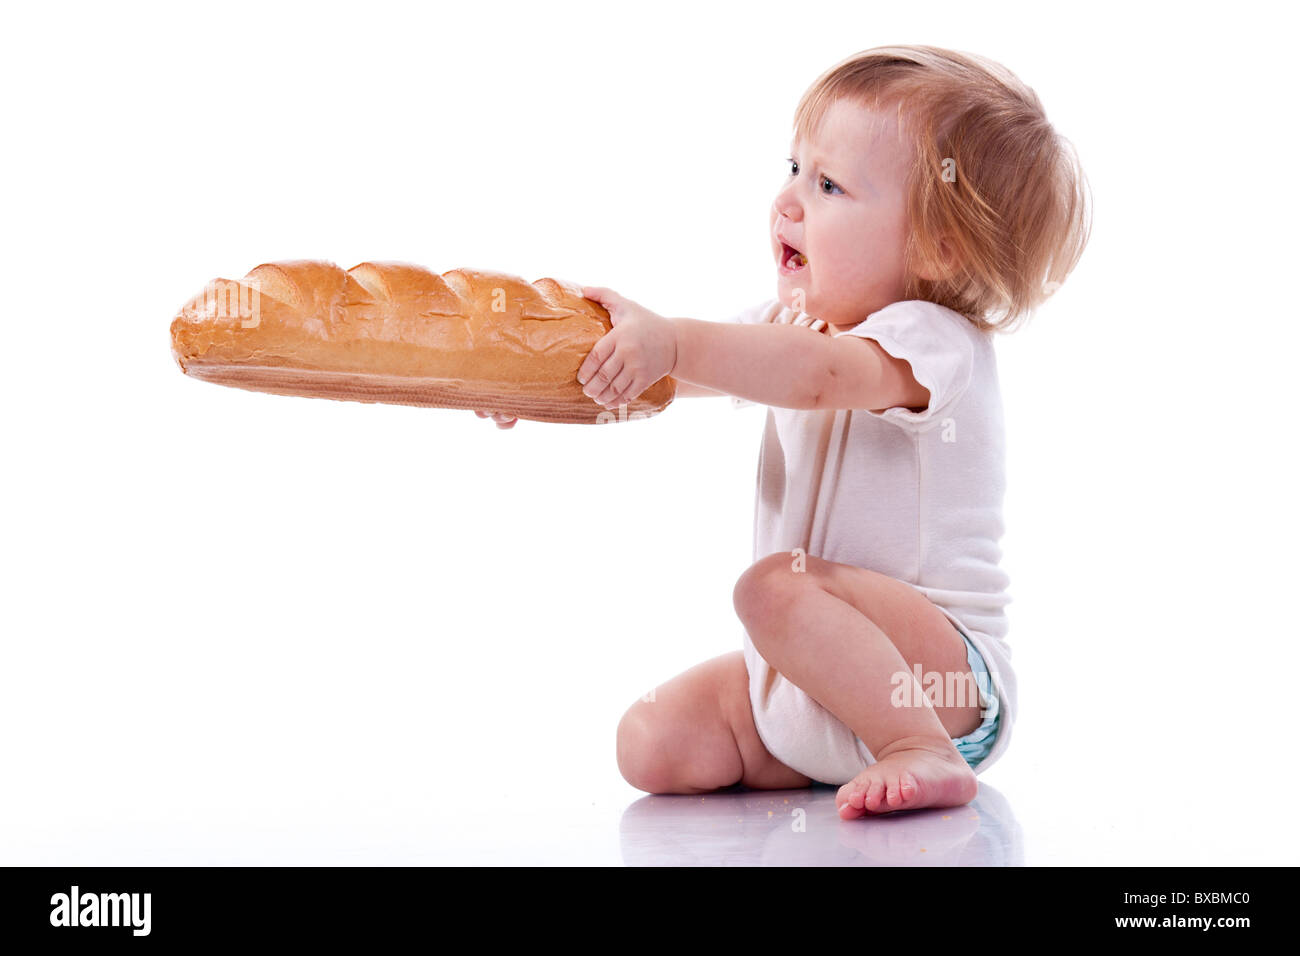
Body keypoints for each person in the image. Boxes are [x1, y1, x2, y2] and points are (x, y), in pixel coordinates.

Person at [478, 44, 1090, 817]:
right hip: (815, 682)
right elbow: (686, 373)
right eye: (794, 167)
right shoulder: (792, 328)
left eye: (829, 185)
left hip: (939, 683)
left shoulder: (934, 341)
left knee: (773, 590)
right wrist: (556, 384)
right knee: (653, 741)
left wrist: (676, 337)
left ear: (942, 249)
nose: (788, 201)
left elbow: (815, 375)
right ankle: (823, 754)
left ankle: (920, 750)